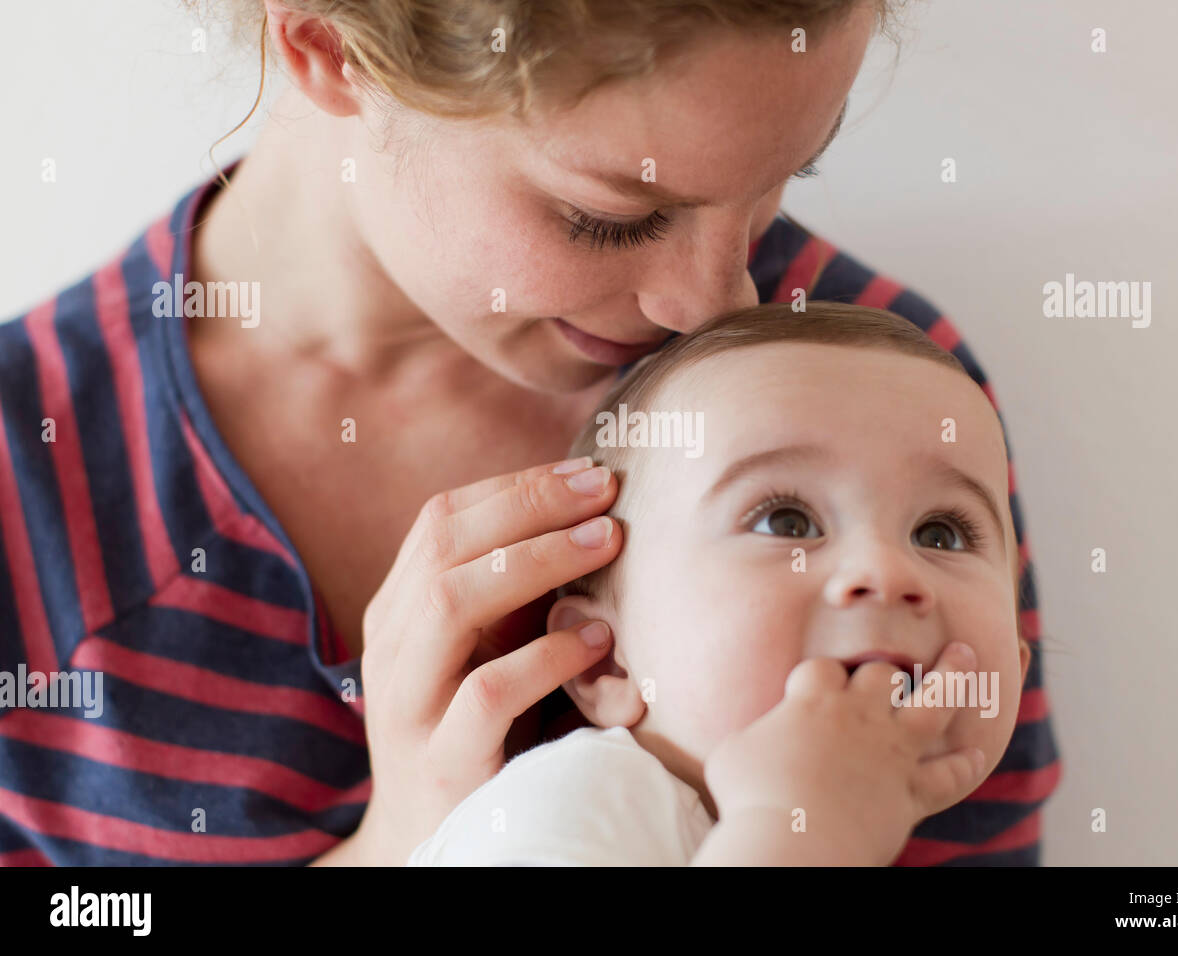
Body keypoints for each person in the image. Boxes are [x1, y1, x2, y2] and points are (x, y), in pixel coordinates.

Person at [0, 0, 1058, 866]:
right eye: (612, 216)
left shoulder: (876, 390)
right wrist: (400, 844)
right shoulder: (28, 476)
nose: (717, 300)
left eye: (781, 181)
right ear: (325, 47)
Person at [408, 303, 1033, 866]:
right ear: (608, 667)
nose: (888, 573)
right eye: (787, 521)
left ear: (1018, 660)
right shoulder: (571, 806)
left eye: (941, 533)